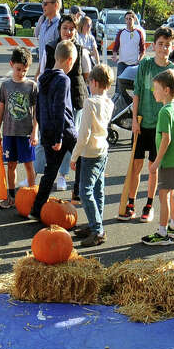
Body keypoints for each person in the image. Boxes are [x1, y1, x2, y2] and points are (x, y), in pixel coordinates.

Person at [118, 25, 174, 222]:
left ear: (172, 47)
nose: (163, 48)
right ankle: (131, 202)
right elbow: (137, 93)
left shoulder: (173, 70)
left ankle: (149, 204)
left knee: (154, 168)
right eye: (160, 44)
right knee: (136, 166)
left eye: (167, 45)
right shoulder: (145, 66)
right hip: (142, 123)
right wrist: (134, 120)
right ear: (154, 46)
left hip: (160, 128)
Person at [32, 14, 88, 197]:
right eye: (65, 28)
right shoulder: (50, 50)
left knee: (68, 149)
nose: (68, 31)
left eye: (72, 28)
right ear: (59, 29)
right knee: (58, 146)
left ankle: (62, 178)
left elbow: (86, 74)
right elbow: (41, 74)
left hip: (74, 103)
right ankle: (38, 177)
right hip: (56, 107)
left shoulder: (80, 49)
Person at [28, 39, 78, 220]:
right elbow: (59, 109)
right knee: (83, 159)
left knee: (50, 171)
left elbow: (39, 108)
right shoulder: (63, 80)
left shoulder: (43, 78)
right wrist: (58, 137)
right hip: (64, 130)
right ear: (70, 60)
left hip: (48, 131)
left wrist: (43, 131)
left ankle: (36, 209)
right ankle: (79, 192)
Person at [140, 68, 174, 246]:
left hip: (167, 161)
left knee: (163, 196)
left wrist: (156, 162)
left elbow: (166, 139)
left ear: (166, 90)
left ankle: (162, 233)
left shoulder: (164, 112)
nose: (154, 92)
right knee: (172, 193)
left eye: (156, 88)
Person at [70, 63, 114, 247]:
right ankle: (95, 222)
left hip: (90, 152)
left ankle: (97, 229)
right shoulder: (109, 103)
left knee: (85, 190)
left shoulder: (90, 103)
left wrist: (74, 156)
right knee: (98, 189)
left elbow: (84, 134)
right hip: (103, 150)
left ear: (94, 82)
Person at [0, 47, 39, 204]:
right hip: (9, 132)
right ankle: (11, 196)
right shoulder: (6, 86)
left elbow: (36, 112)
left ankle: (33, 195)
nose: (21, 73)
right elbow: (0, 109)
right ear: (11, 65)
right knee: (11, 165)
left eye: (25, 71)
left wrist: (35, 131)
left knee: (28, 165)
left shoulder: (32, 86)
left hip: (26, 133)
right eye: (18, 69)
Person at [109, 10, 146, 78]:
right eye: (126, 19)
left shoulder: (139, 33)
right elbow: (115, 47)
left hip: (134, 64)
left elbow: (142, 50)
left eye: (130, 19)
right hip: (122, 64)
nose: (128, 21)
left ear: (134, 20)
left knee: (133, 86)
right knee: (120, 86)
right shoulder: (121, 33)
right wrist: (114, 55)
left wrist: (139, 60)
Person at [34, 0, 63, 73]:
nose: (43, 6)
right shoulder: (44, 24)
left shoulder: (60, 26)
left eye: (46, 4)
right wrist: (38, 73)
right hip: (43, 73)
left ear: (55, 5)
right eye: (42, 3)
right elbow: (43, 53)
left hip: (53, 75)